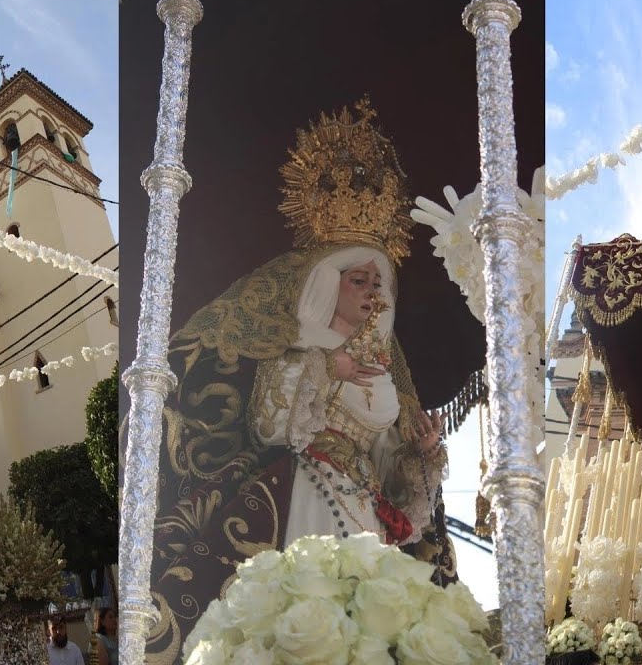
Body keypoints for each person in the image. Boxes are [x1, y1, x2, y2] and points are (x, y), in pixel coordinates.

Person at [136, 99, 457, 663]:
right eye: (359, 279)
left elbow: (393, 478)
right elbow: (269, 427)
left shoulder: (384, 377)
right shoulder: (299, 351)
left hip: (368, 507)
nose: (371, 294)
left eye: (376, 284)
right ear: (326, 284)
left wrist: (421, 454)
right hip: (308, 492)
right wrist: (323, 368)